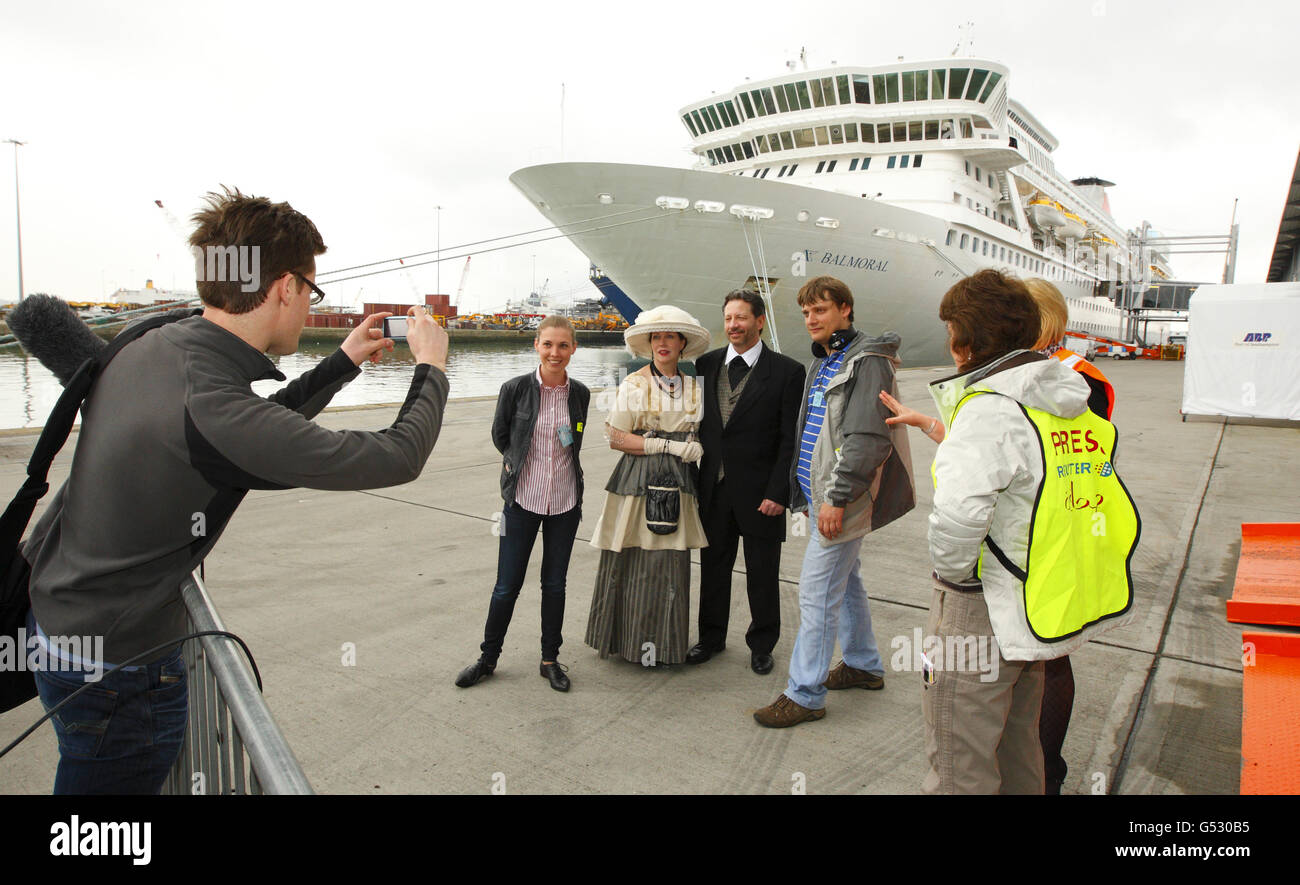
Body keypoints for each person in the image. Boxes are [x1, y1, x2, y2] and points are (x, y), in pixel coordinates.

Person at [22, 186, 450, 794]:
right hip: (116, 670)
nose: (309, 304)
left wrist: (343, 362)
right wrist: (432, 367)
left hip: (59, 624)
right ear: (283, 288)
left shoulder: (155, 340)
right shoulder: (214, 405)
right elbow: (396, 456)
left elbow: (249, 430)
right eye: (312, 289)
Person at [879, 275, 1118, 794]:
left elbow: (962, 516)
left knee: (959, 756)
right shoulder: (1064, 397)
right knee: (1018, 749)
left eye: (950, 331)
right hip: (1034, 596)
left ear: (964, 340)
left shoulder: (988, 405)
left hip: (979, 598)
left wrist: (955, 575)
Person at [753, 276, 914, 727]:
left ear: (846, 309)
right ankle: (863, 664)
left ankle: (805, 693)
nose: (811, 319)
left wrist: (837, 498)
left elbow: (865, 436)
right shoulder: (827, 360)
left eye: (820, 310)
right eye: (806, 312)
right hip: (822, 494)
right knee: (849, 581)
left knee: (817, 593)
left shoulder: (867, 362)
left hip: (842, 496)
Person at [454, 316, 590, 692]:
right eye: (548, 344)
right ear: (536, 345)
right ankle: (488, 659)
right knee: (506, 585)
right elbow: (501, 435)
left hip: (565, 502)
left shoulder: (579, 393)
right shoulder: (514, 389)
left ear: (573, 348)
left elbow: (575, 438)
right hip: (522, 501)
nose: (555, 352)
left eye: (563, 345)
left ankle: (550, 660)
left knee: (555, 585)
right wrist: (517, 462)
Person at [584, 305, 710, 667]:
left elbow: (699, 432)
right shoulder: (635, 383)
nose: (663, 343)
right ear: (649, 343)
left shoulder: (692, 386)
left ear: (682, 343)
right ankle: (626, 641)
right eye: (657, 337)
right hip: (639, 478)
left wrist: (695, 445)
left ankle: (665, 645)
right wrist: (663, 445)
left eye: (670, 336)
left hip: (679, 480)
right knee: (635, 555)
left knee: (670, 560)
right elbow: (615, 437)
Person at [690, 290, 805, 675]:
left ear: (760, 321)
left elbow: (791, 439)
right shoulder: (705, 365)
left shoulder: (788, 372)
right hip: (714, 491)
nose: (733, 326)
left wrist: (779, 493)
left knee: (762, 574)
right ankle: (710, 638)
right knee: (713, 569)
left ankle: (761, 644)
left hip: (762, 495)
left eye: (741, 318)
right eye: (728, 319)